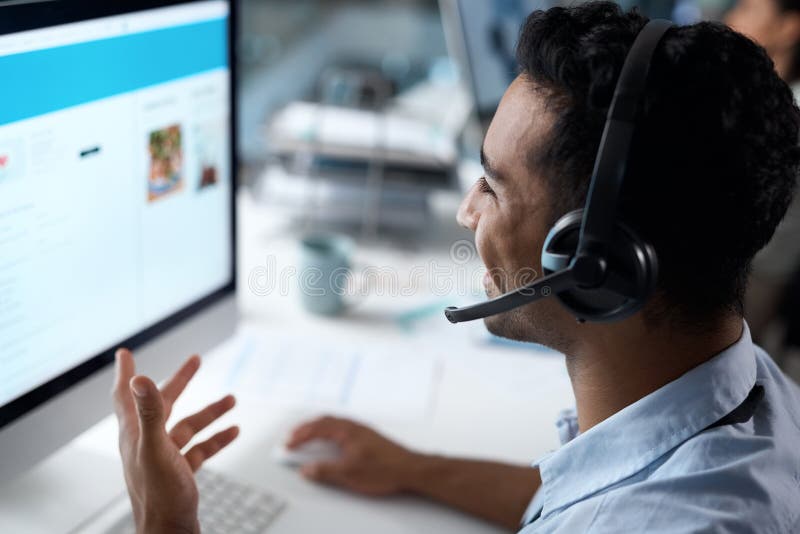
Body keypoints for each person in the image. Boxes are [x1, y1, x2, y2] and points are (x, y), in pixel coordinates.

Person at [111, 3, 800, 532]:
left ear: (600, 265)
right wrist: (418, 468)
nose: (467, 211)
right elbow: (594, 492)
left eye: (493, 187)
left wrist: (163, 520)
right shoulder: (747, 394)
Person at [725, 0, 800, 347]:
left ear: (789, 28)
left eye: (749, 8)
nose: (733, 18)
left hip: (763, 269)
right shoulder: (748, 98)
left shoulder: (789, 112)